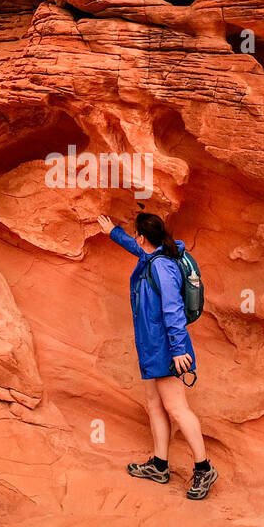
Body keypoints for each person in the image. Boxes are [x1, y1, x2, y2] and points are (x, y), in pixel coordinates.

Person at [97, 212, 218, 501]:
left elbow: (174, 310)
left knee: (177, 409)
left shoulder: (162, 266)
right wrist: (113, 231)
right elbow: (137, 249)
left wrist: (178, 351)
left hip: (167, 348)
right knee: (154, 404)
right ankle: (160, 465)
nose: (136, 239)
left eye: (135, 234)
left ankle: (204, 469)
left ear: (143, 236)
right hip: (151, 347)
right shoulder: (152, 256)